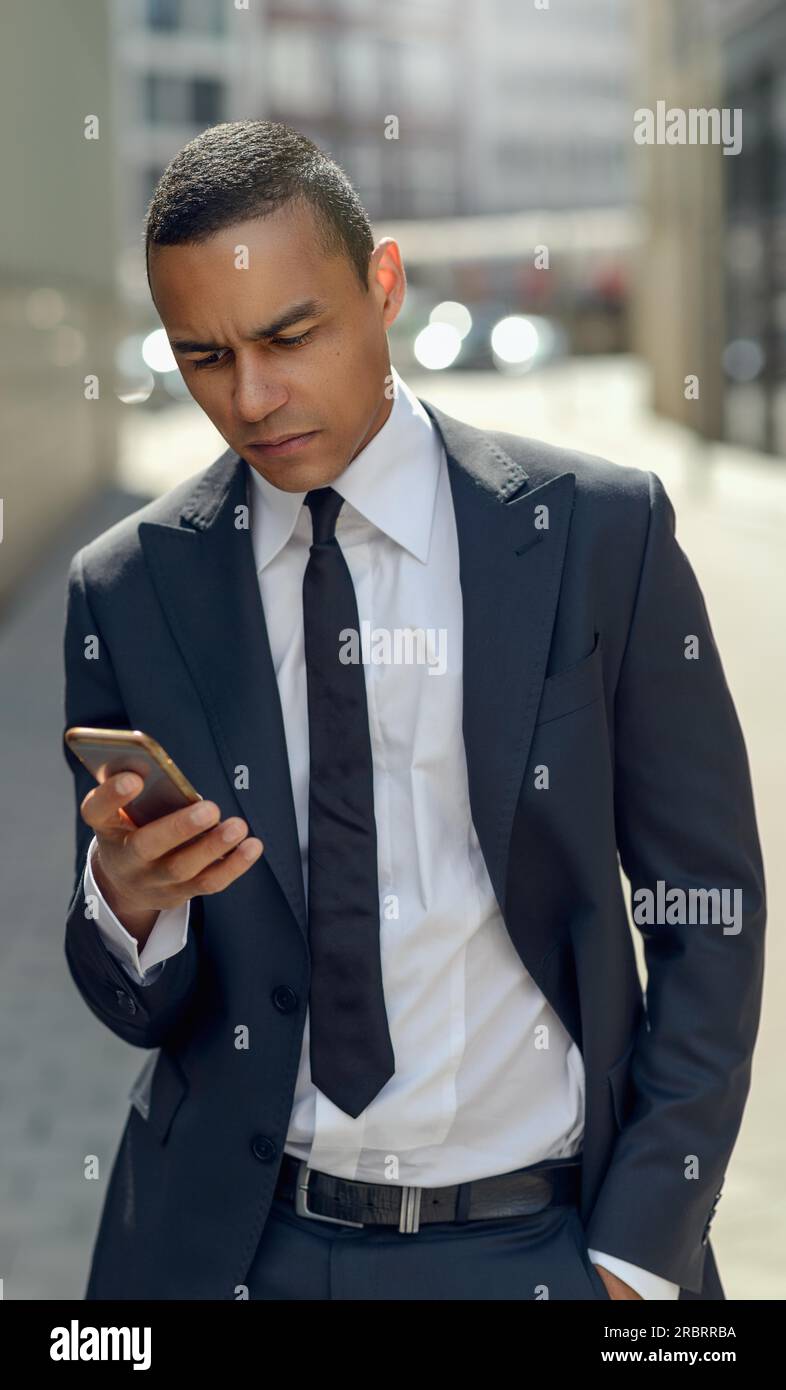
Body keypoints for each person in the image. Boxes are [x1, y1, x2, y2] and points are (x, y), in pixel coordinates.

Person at [62, 120, 765, 1301]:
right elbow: (135, 1002)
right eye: (205, 358)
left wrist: (640, 1247)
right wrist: (128, 907)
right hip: (233, 1250)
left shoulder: (599, 535)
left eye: (292, 334)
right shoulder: (129, 588)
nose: (255, 396)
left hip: (543, 1249)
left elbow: (710, 906)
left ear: (383, 285)